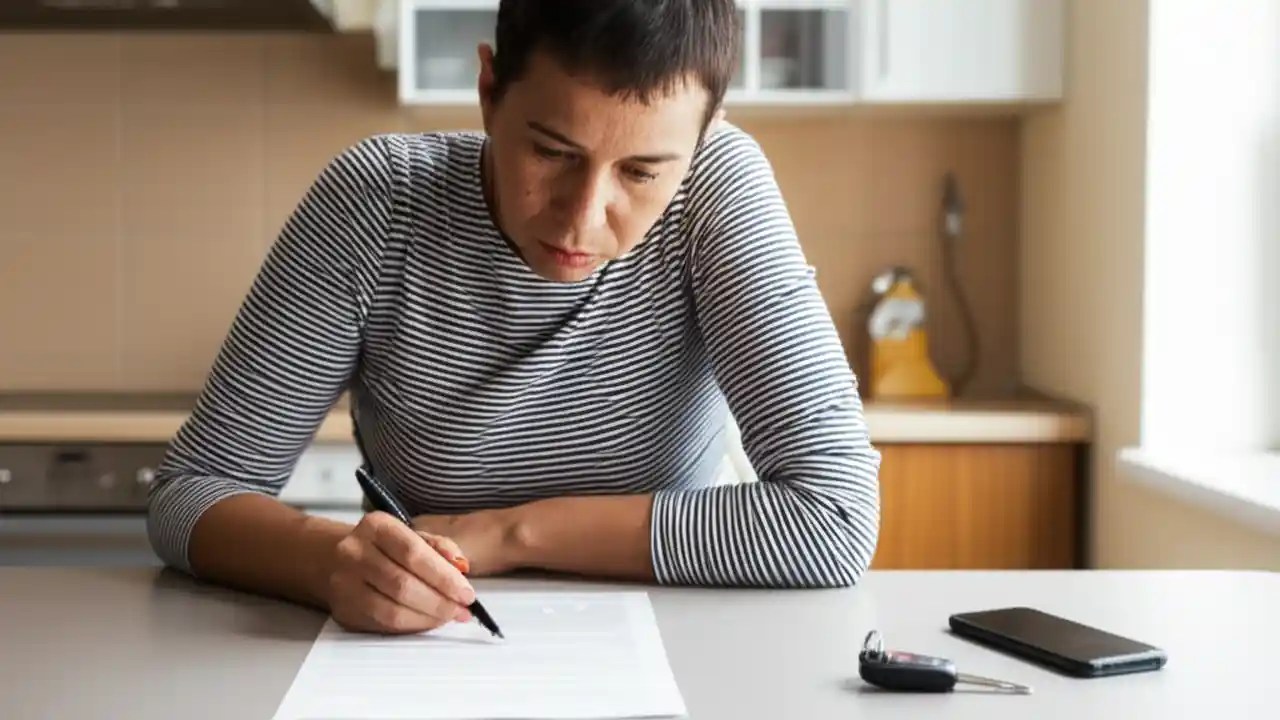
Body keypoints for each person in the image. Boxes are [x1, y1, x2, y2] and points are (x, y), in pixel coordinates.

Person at [147, 0, 881, 635]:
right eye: (552, 152)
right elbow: (192, 492)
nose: (583, 218)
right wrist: (327, 561)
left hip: (672, 646)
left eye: (643, 172)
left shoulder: (719, 188)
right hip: (425, 656)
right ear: (489, 89)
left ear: (703, 134)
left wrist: (504, 534)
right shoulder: (379, 204)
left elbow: (835, 520)